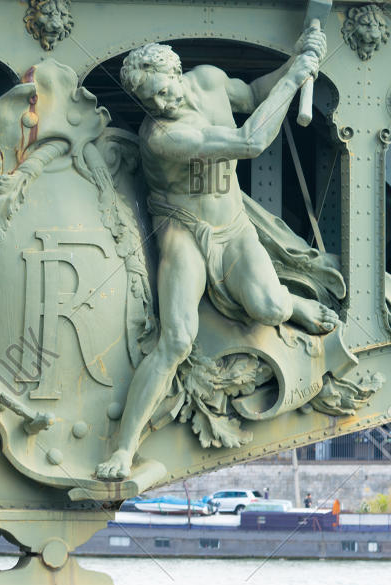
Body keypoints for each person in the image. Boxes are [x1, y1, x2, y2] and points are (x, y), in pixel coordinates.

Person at [95, 29, 341, 481]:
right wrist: (294, 82)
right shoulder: (162, 137)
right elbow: (249, 142)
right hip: (183, 231)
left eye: (165, 91)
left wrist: (298, 60)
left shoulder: (207, 80)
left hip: (233, 226)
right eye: (151, 102)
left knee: (269, 307)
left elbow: (250, 93)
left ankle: (295, 304)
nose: (162, 104)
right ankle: (124, 449)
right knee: (176, 340)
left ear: (176, 73)